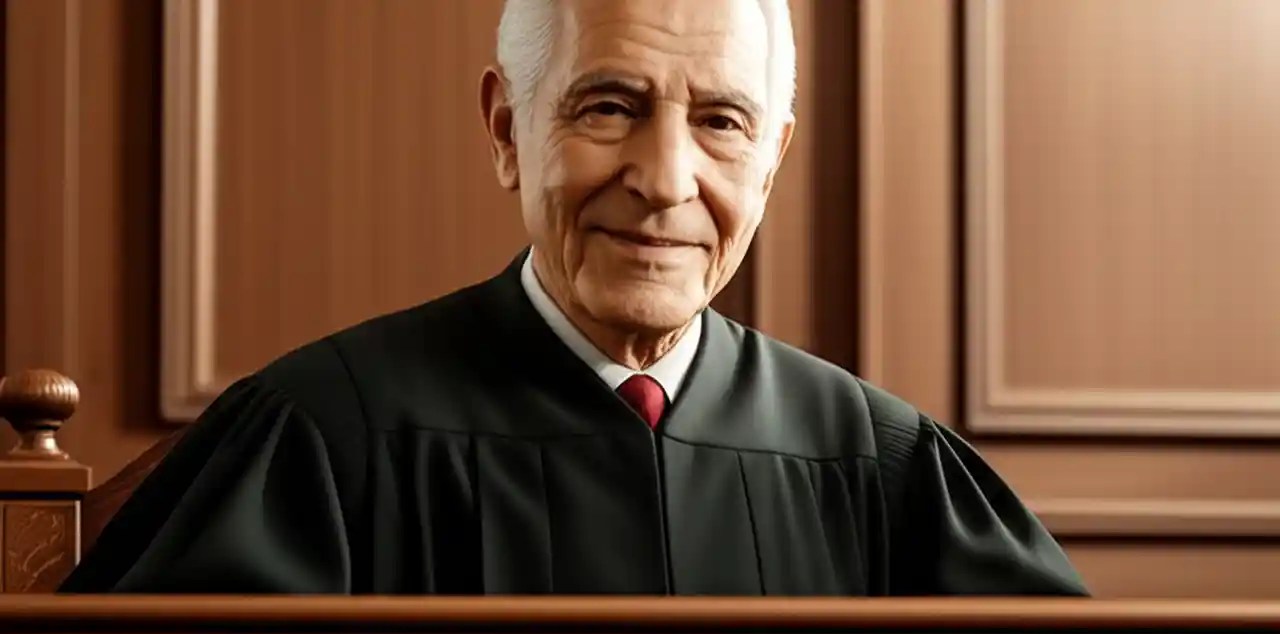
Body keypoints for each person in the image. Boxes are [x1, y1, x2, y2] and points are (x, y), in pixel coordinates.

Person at [62, 0, 1087, 595]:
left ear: (770, 163)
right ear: (508, 130)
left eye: (722, 123)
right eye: (609, 107)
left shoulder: (885, 467)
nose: (664, 179)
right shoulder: (321, 441)